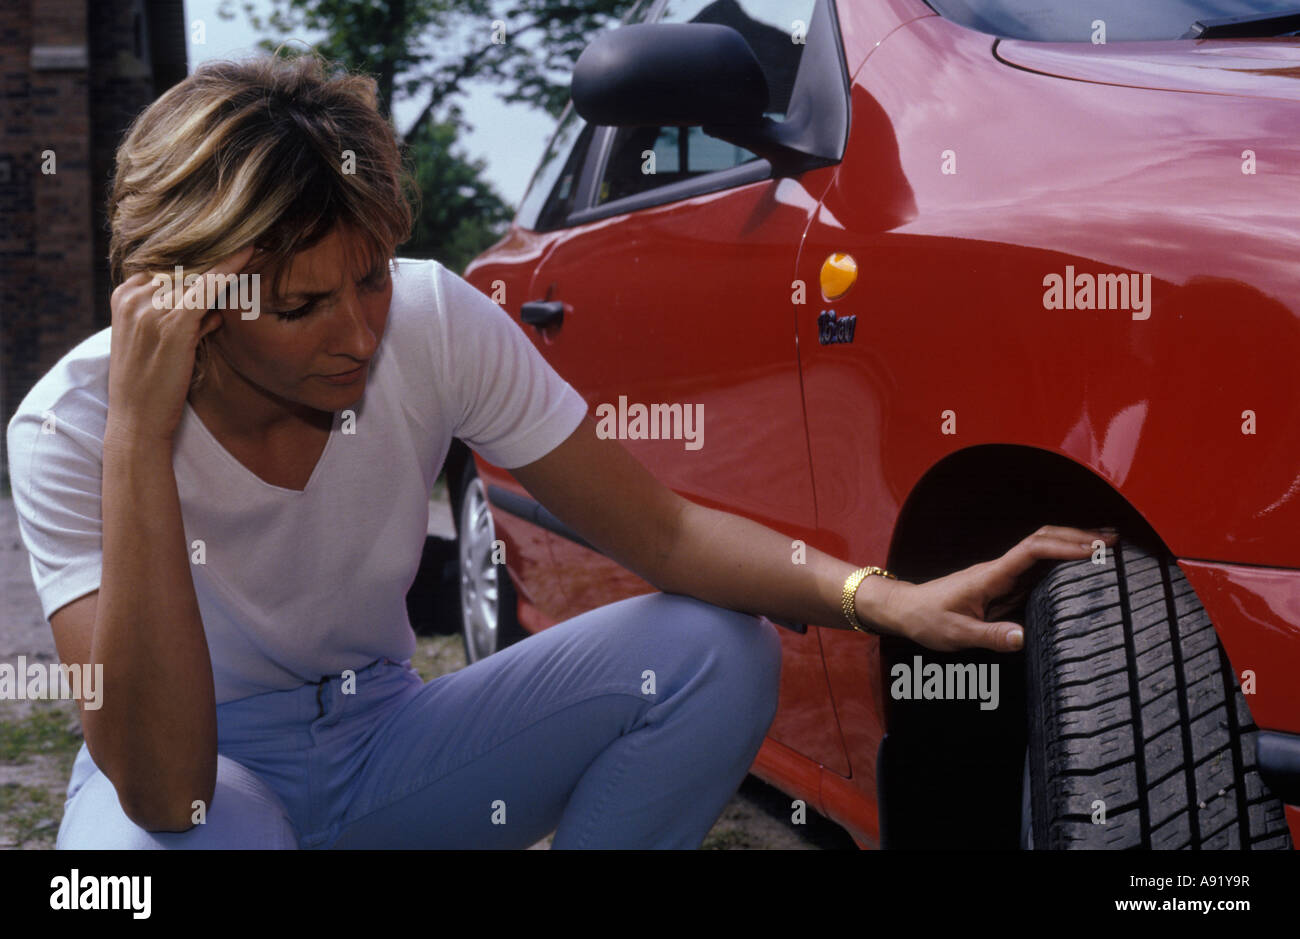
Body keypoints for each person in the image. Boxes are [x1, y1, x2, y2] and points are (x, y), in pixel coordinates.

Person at [5, 53, 1116, 849]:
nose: (357, 333)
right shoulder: (70, 426)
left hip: (391, 745)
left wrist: (879, 597)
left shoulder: (434, 321)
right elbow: (161, 789)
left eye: (372, 276)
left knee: (712, 651)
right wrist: (141, 444)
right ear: (185, 303)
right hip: (209, 786)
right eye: (301, 307)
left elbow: (663, 531)